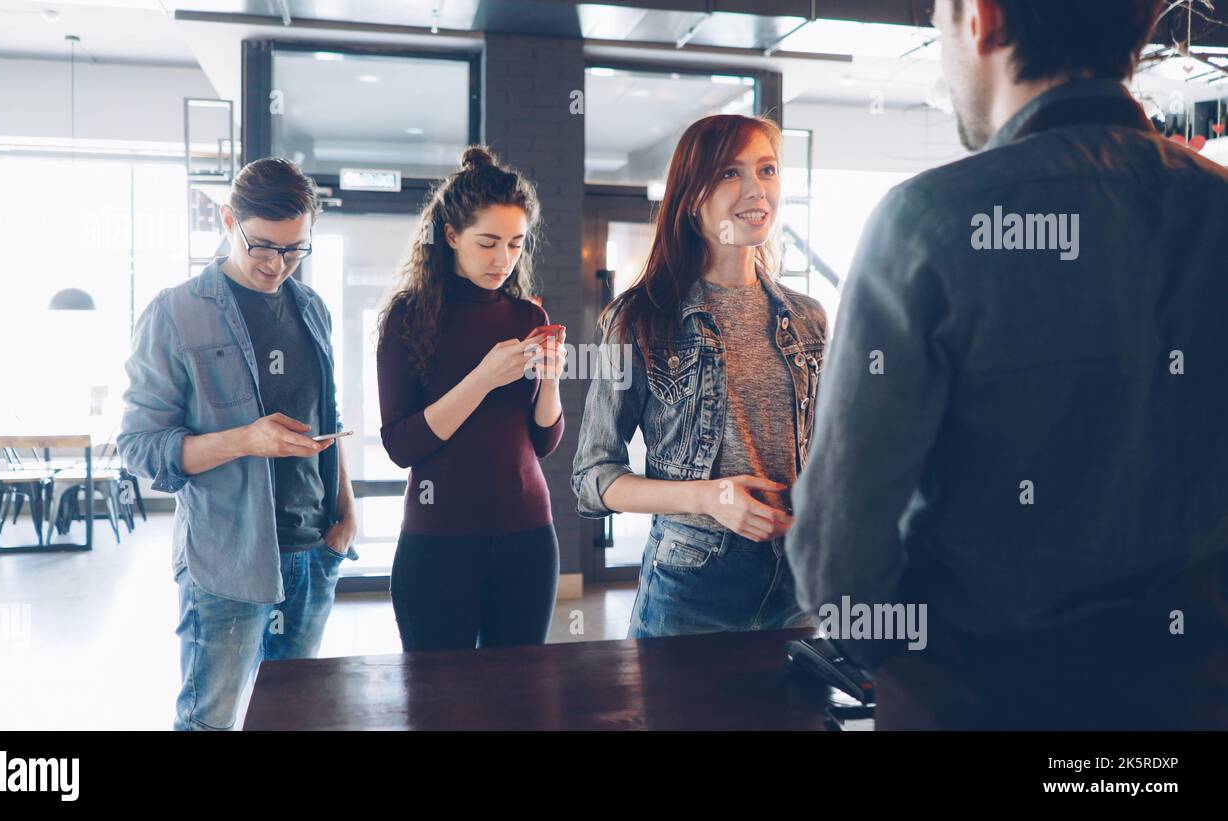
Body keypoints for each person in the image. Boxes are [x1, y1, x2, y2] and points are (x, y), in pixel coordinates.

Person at [786, 0, 1228, 729]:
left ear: (980, 17)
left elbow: (839, 550)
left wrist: (914, 672)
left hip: (983, 700)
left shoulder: (928, 221)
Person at [119, 157, 357, 730]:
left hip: (313, 551)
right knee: (210, 722)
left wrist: (346, 517)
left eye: (295, 249)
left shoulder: (312, 308)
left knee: (294, 719)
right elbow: (139, 447)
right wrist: (246, 440)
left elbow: (328, 418)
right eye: (263, 247)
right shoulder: (175, 312)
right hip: (226, 560)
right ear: (228, 220)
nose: (278, 264)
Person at [572, 114, 827, 638]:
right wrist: (707, 497)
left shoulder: (809, 318)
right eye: (731, 173)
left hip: (797, 583)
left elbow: (827, 451)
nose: (757, 189)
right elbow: (593, 478)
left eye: (767, 169)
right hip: (691, 586)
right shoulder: (640, 319)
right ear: (691, 197)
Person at [376, 146, 565, 651]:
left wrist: (551, 381)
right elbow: (401, 446)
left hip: (528, 536)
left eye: (516, 244)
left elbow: (543, 442)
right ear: (452, 235)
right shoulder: (407, 317)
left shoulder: (528, 317)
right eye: (488, 243)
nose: (503, 259)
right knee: (438, 691)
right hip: (438, 540)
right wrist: (482, 378)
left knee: (519, 689)